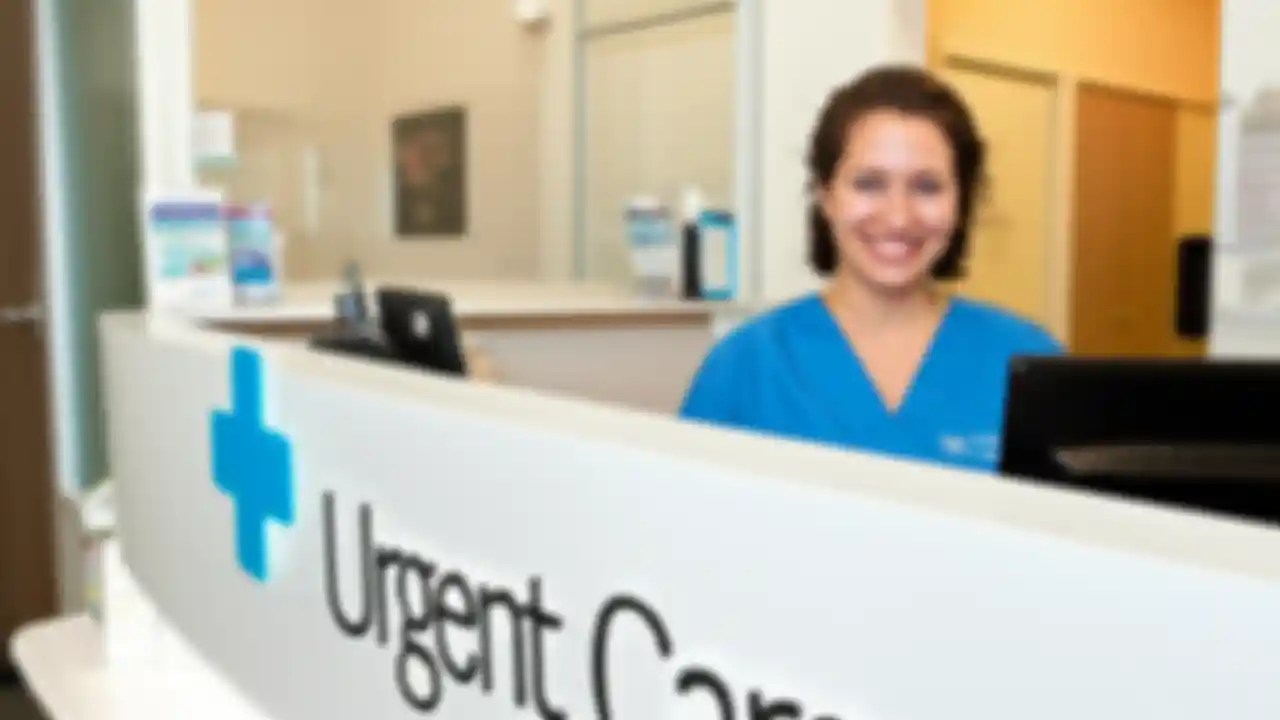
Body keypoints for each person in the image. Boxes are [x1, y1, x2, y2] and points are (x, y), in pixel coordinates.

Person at [679, 65, 1063, 472]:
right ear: (825, 196)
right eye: (868, 183)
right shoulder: (747, 365)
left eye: (927, 187)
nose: (898, 217)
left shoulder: (1028, 361)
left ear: (961, 203)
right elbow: (686, 521)